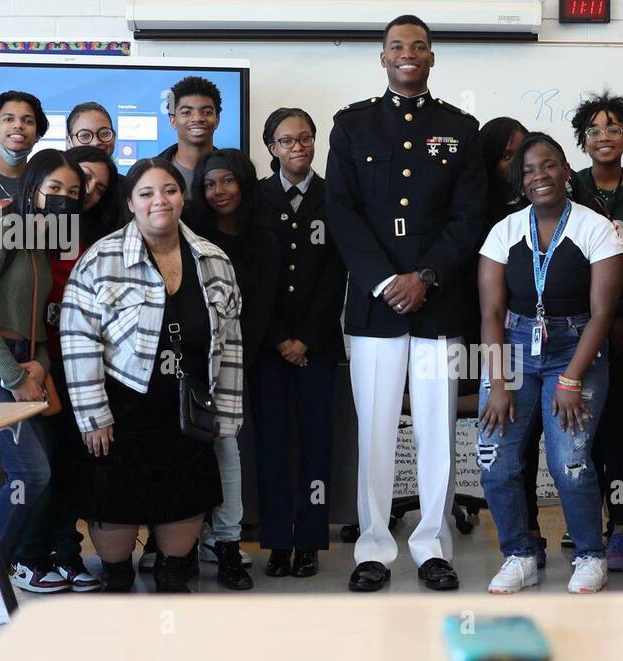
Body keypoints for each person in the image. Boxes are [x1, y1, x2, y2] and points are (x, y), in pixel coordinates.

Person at [326, 14, 485, 592]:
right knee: (375, 428)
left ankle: (432, 546)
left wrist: (425, 276)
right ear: (383, 57)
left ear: (432, 57)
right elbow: (341, 211)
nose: (408, 54)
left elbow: (470, 217)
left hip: (438, 306)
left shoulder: (459, 129)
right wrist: (382, 281)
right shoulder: (352, 126)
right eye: (398, 47)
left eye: (419, 46)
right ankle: (373, 547)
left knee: (438, 431)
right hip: (374, 310)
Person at [60, 159, 243, 594]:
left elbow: (231, 340)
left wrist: (228, 417)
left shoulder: (213, 259)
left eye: (170, 190)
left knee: (176, 567)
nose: (159, 200)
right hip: (120, 416)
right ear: (130, 203)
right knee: (117, 564)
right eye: (146, 193)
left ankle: (171, 616)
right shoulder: (101, 258)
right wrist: (93, 416)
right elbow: (77, 339)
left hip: (188, 415)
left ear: (182, 197)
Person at [478, 132, 623, 594]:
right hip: (515, 348)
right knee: (495, 460)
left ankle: (589, 554)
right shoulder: (504, 230)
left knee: (570, 462)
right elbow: (491, 314)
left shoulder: (594, 227)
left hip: (576, 346)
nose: (539, 176)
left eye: (549, 165)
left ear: (565, 171)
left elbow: (604, 313)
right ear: (520, 182)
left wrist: (571, 379)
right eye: (528, 170)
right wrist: (499, 382)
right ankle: (519, 554)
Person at [0, 149, 84, 619]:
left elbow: (39, 325)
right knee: (30, 474)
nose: (63, 200)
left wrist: (40, 369)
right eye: (54, 190)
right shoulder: (5, 229)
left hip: (21, 365)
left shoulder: (41, 244)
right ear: (32, 189)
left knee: (26, 477)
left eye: (73, 193)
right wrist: (13, 376)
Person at [9, 145, 126, 594]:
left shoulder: (103, 235)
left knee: (74, 466)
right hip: (37, 361)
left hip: (86, 364)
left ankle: (66, 551)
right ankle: (29, 555)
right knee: (44, 467)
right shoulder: (21, 228)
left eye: (95, 185)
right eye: (76, 184)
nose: (87, 192)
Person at [249, 108, 347, 580]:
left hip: (318, 345)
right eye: (287, 141)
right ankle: (277, 542)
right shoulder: (256, 198)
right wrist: (277, 339)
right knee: (271, 446)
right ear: (272, 148)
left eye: (305, 139)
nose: (298, 148)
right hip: (267, 346)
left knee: (315, 444)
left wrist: (305, 337)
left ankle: (309, 540)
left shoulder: (335, 196)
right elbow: (249, 279)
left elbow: (337, 276)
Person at [185, 147, 279, 589]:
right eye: (209, 184)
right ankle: (185, 545)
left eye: (227, 180)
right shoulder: (190, 234)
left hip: (247, 356)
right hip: (193, 357)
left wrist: (243, 352)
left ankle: (226, 543)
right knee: (188, 450)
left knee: (228, 449)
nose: (219, 191)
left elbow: (264, 302)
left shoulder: (264, 231)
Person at [570, 91, 623, 570]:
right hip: (576, 331)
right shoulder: (568, 185)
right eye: (595, 130)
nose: (604, 136)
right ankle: (587, 522)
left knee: (619, 425)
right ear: (583, 140)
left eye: (614, 128)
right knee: (583, 428)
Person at [478, 116, 552, 564]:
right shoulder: (482, 210)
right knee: (510, 445)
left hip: (545, 339)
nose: (518, 165)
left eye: (523, 156)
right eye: (508, 156)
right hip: (491, 335)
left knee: (540, 438)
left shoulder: (551, 207)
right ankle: (525, 537)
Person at [155, 76, 221, 199]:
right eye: (186, 112)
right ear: (173, 120)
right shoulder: (150, 173)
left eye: (207, 112)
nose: (197, 118)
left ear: (217, 120)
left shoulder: (234, 173)